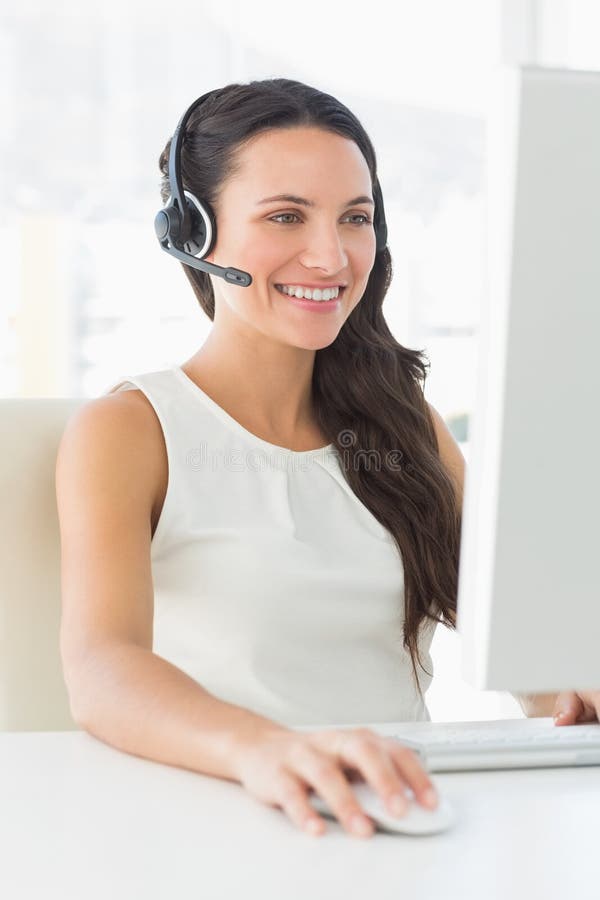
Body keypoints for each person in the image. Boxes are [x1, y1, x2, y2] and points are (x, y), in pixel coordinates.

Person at [56, 77, 597, 842]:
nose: (331, 254)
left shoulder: (407, 426)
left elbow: (526, 646)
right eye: (285, 216)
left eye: (356, 218)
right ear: (192, 231)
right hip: (218, 820)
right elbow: (103, 671)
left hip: (396, 819)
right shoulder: (130, 430)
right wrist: (266, 749)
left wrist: (573, 690)